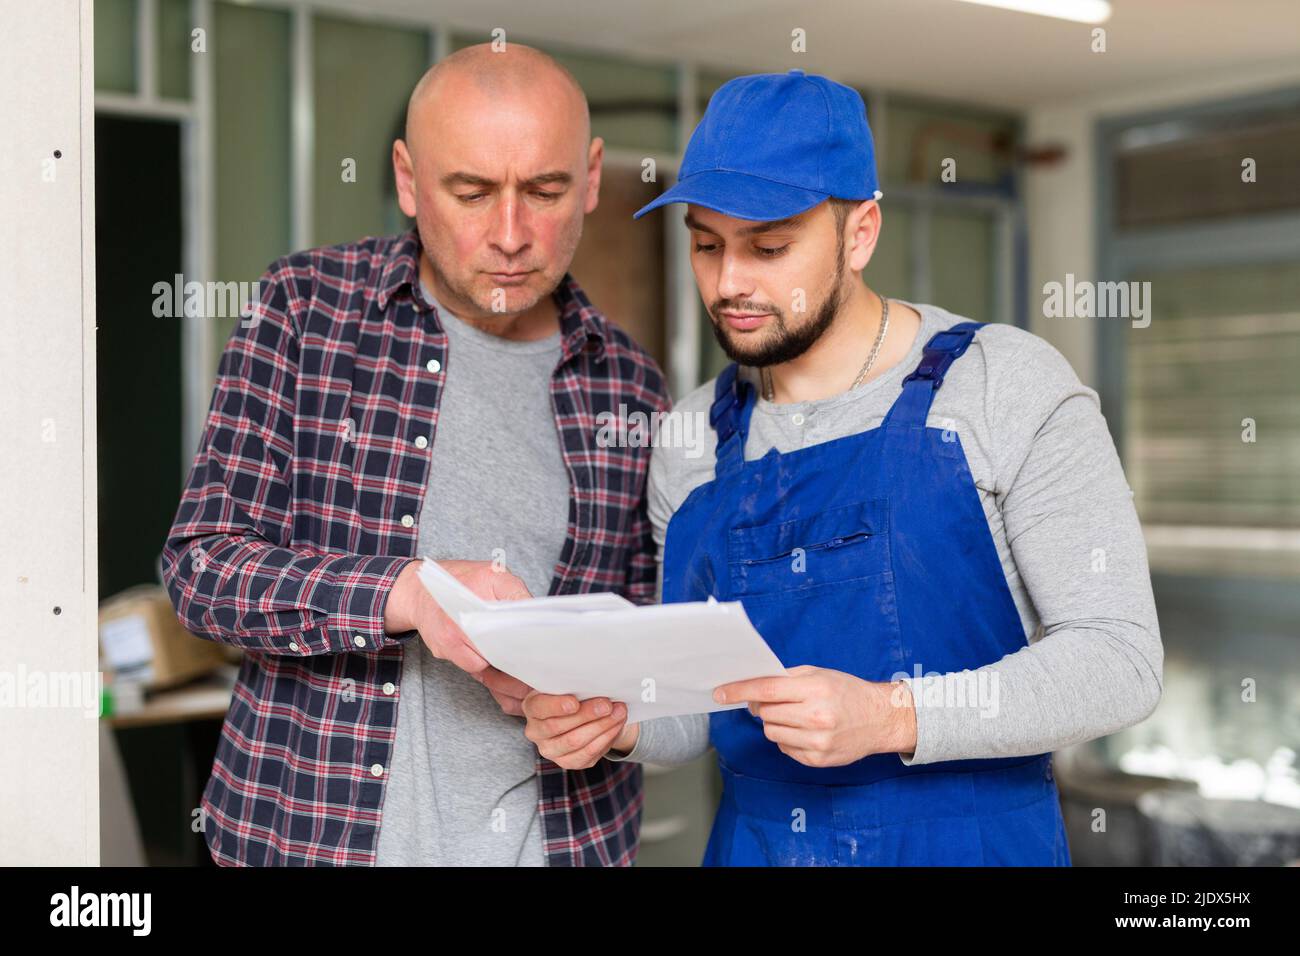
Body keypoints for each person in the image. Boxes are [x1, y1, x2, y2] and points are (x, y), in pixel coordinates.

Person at [521, 69, 1162, 866]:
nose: (729, 284)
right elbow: (694, 708)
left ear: (860, 234)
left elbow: (1119, 661)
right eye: (706, 244)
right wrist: (615, 722)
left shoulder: (1002, 384)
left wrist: (896, 717)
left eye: (770, 248)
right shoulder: (690, 436)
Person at [161, 43, 667, 866]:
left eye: (545, 190)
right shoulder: (302, 314)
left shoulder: (632, 390)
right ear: (406, 178)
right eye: (470, 192)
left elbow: (654, 655)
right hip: (303, 844)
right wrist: (405, 594)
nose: (510, 235)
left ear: (594, 175)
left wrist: (610, 723)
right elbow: (201, 571)